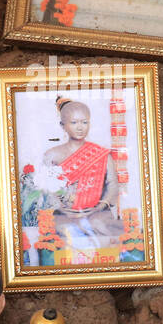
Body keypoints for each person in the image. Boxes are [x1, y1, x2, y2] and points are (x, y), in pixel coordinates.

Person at [41, 96, 124, 249]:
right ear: (63, 125)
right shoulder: (52, 155)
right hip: (64, 214)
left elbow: (112, 185)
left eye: (84, 122)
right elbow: (46, 189)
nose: (80, 127)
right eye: (74, 122)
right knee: (62, 232)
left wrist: (99, 206)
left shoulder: (102, 154)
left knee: (101, 225)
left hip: (97, 213)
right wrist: (63, 207)